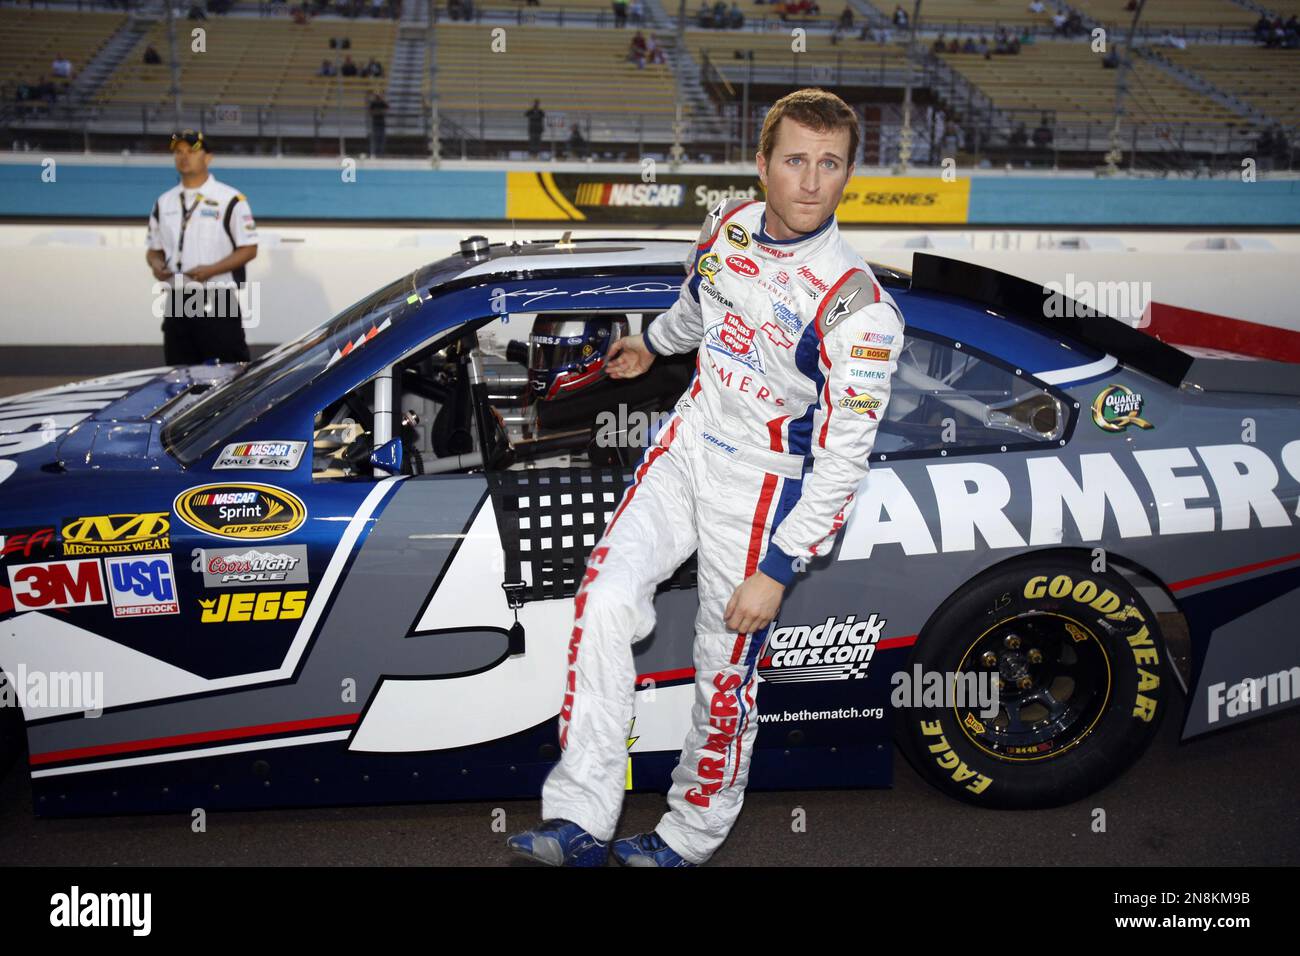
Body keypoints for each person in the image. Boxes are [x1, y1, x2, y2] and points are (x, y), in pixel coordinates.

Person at [507, 88, 906, 868]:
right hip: (689, 440)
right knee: (605, 596)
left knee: (724, 671)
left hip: (762, 488)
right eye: (796, 161)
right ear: (762, 167)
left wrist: (779, 570)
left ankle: (688, 836)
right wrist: (653, 344)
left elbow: (843, 464)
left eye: (831, 165)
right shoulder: (727, 223)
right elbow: (702, 303)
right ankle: (580, 818)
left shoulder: (860, 310)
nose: (812, 182)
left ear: (850, 174)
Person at [146, 130, 259, 366]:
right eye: (179, 152)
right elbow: (154, 249)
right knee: (179, 374)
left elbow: (249, 248)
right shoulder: (163, 201)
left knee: (230, 373)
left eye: (192, 151)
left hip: (218, 297)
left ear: (208, 158)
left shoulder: (230, 199)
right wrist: (156, 265)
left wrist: (211, 270)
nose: (184, 157)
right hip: (178, 298)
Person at [367, 90, 388, 155]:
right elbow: (371, 112)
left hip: (381, 123)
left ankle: (381, 152)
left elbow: (386, 110)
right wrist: (379, 112)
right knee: (375, 138)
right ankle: (374, 152)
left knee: (381, 139)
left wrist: (377, 112)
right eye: (377, 96)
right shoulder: (373, 103)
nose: (378, 97)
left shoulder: (383, 103)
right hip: (375, 122)